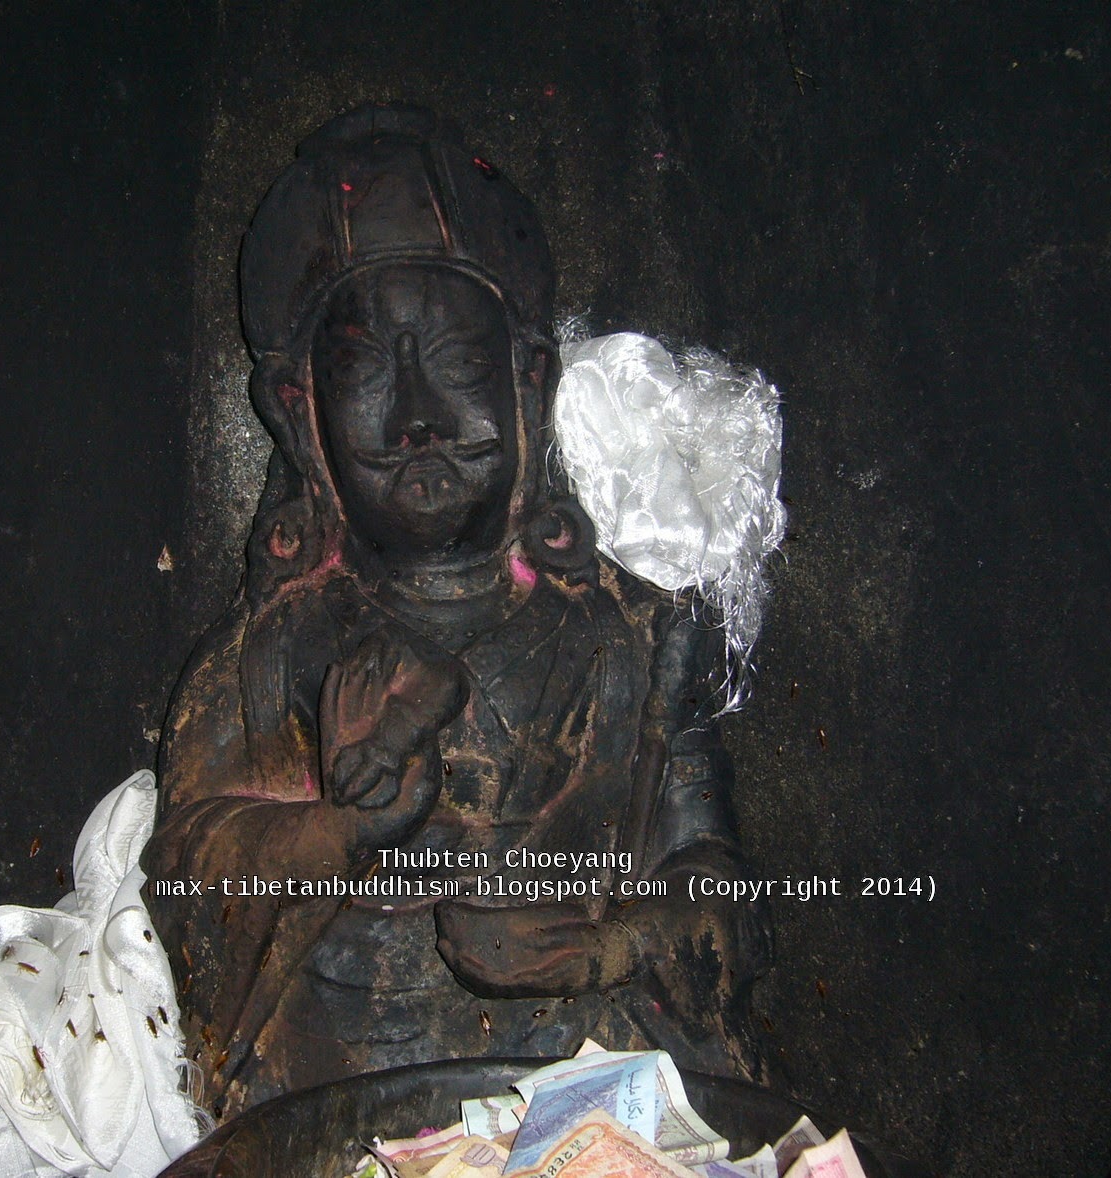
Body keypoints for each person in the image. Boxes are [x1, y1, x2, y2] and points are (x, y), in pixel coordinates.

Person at [144, 104, 770, 1116]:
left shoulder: (635, 643)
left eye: (460, 366)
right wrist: (331, 834)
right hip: (332, 1105)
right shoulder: (267, 656)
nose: (419, 415)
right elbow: (176, 893)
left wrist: (607, 945)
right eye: (365, 375)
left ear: (528, 388)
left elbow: (725, 908)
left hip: (585, 1100)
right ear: (301, 415)